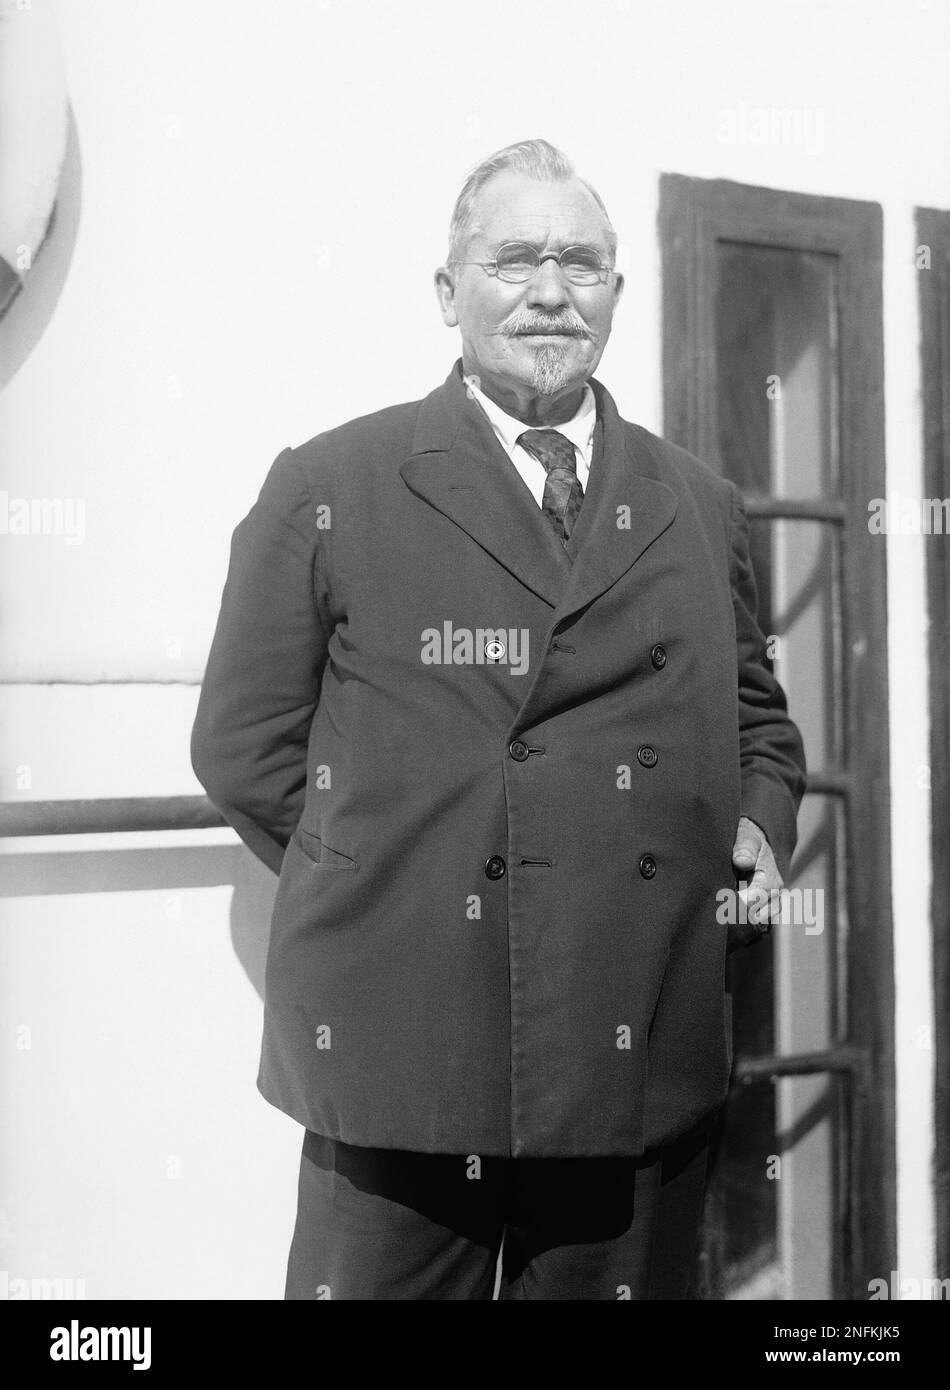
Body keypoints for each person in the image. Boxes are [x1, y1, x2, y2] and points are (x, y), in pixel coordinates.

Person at [191, 138, 807, 1300]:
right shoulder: (334, 482)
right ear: (446, 292)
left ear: (614, 296)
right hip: (404, 1042)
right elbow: (241, 742)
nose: (547, 290)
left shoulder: (697, 503)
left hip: (631, 1039)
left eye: (579, 262)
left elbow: (759, 726)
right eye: (512, 258)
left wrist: (758, 824)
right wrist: (391, 869)